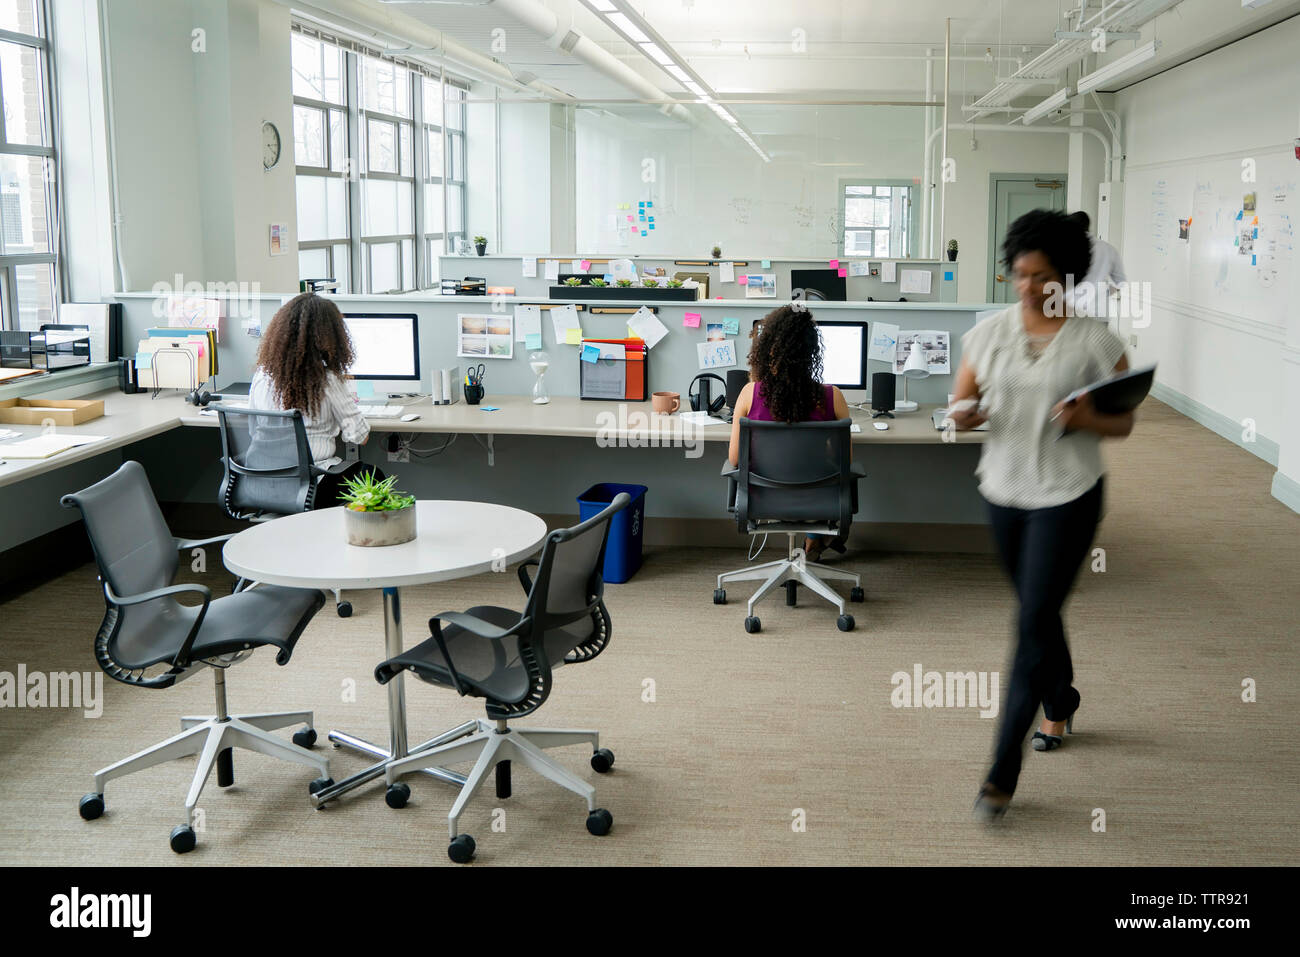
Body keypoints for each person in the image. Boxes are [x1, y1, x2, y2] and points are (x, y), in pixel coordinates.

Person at [948, 208, 1134, 822]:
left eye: (1042, 275)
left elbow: (1124, 419)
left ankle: (1000, 776)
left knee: (1029, 624)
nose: (1028, 286)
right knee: (1040, 613)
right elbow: (962, 401)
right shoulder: (989, 333)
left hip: (1069, 495)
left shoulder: (1094, 339)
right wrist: (964, 415)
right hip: (1002, 492)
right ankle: (1062, 696)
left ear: (1067, 275)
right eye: (1021, 273)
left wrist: (1088, 418)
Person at [729, 304, 852, 562]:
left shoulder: (749, 394)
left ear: (767, 348)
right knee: (823, 471)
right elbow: (845, 461)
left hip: (764, 498)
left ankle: (813, 539)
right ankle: (816, 537)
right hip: (820, 499)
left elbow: (735, 460)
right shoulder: (833, 397)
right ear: (812, 352)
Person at [248, 292, 376, 506]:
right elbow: (359, 436)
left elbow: (253, 431)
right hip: (313, 484)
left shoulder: (262, 375)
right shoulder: (328, 380)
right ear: (331, 337)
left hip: (262, 481)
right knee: (373, 477)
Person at [1063, 210, 1126, 318]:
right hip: (1099, 311)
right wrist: (1104, 293)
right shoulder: (1108, 249)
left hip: (1070, 310)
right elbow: (1120, 282)